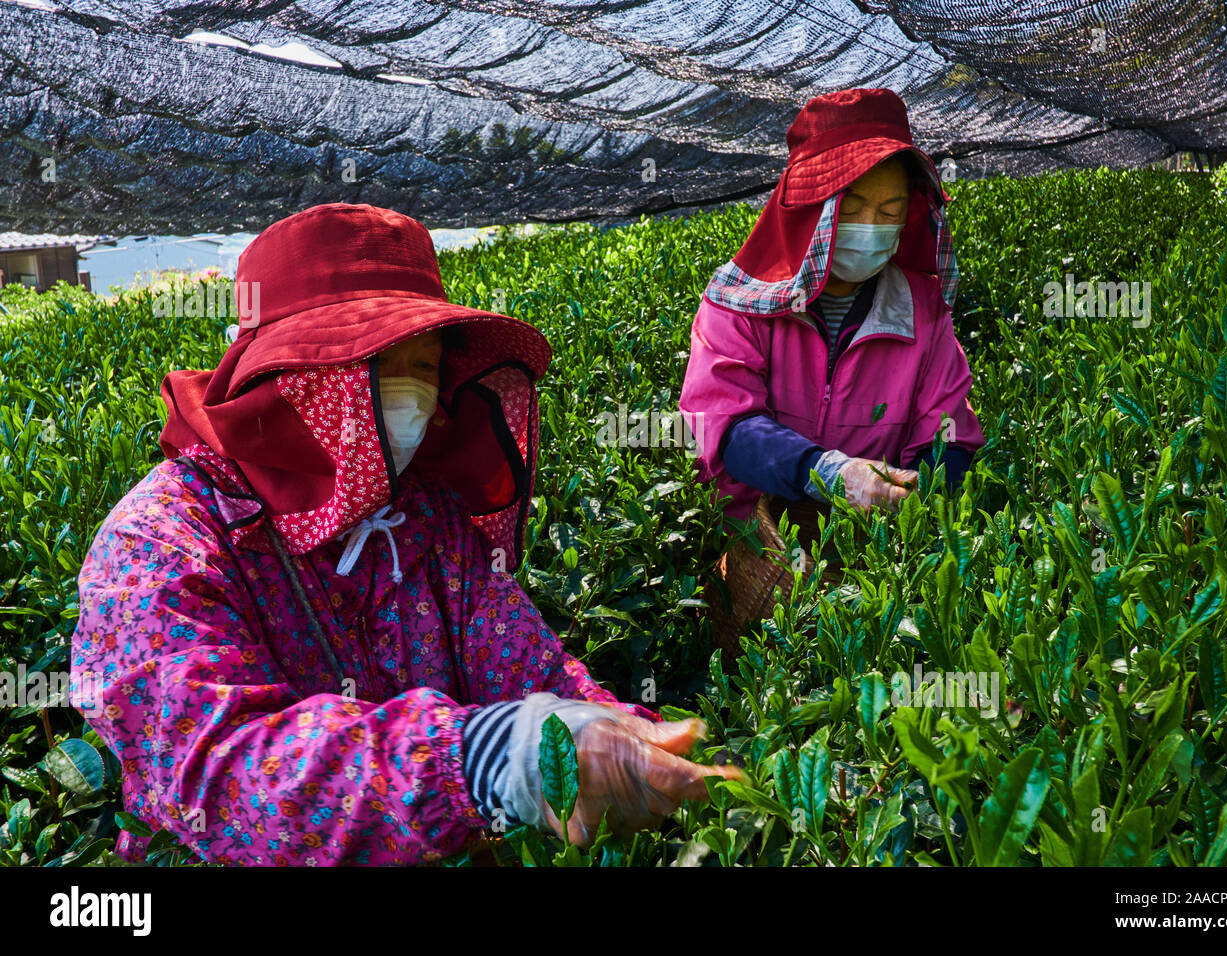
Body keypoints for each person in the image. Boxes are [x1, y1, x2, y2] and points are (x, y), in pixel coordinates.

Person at [70, 202, 742, 866]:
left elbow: (523, 662)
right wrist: (479, 758)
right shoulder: (161, 543)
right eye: (379, 365)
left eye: (424, 369)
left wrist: (626, 740)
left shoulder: (424, 515)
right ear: (285, 379)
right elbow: (219, 779)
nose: (410, 398)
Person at [679, 88, 985, 527]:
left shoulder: (923, 311)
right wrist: (830, 474)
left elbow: (947, 429)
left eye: (889, 211)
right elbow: (727, 425)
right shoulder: (739, 302)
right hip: (758, 540)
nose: (871, 228)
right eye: (853, 208)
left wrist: (922, 498)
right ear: (810, 211)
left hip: (869, 547)